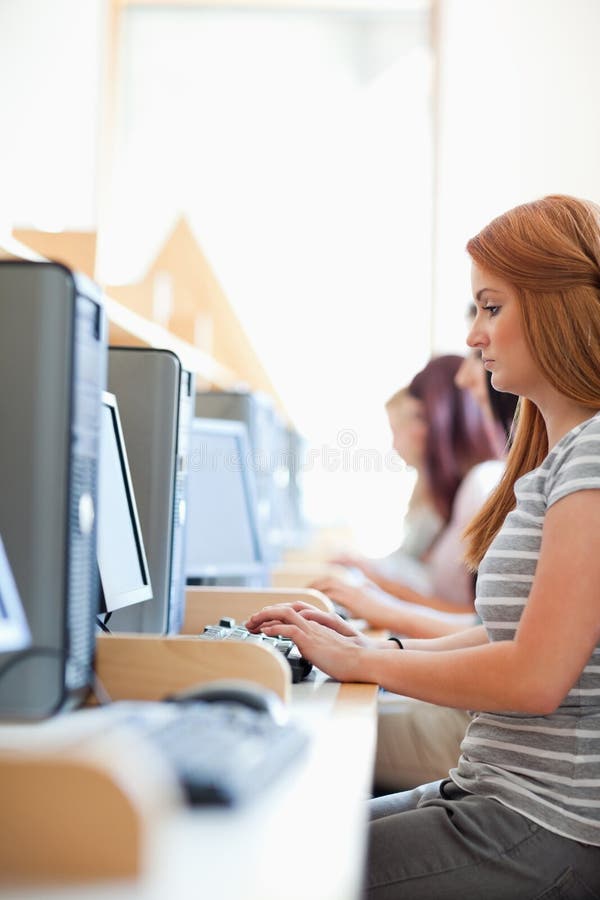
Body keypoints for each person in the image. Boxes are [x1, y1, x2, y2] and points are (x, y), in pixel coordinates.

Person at [246, 194, 600, 897]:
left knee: (272, 870)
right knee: (278, 833)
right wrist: (371, 647)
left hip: (541, 824)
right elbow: (501, 633)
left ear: (556, 305)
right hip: (492, 794)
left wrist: (368, 661)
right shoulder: (558, 459)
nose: (474, 335)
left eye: (491, 307)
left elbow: (536, 675)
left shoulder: (591, 457)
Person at [311, 354, 518, 634]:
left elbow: (486, 624)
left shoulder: (482, 484)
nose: (399, 443)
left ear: (439, 417)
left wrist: (383, 598)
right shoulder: (463, 493)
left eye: (419, 417)